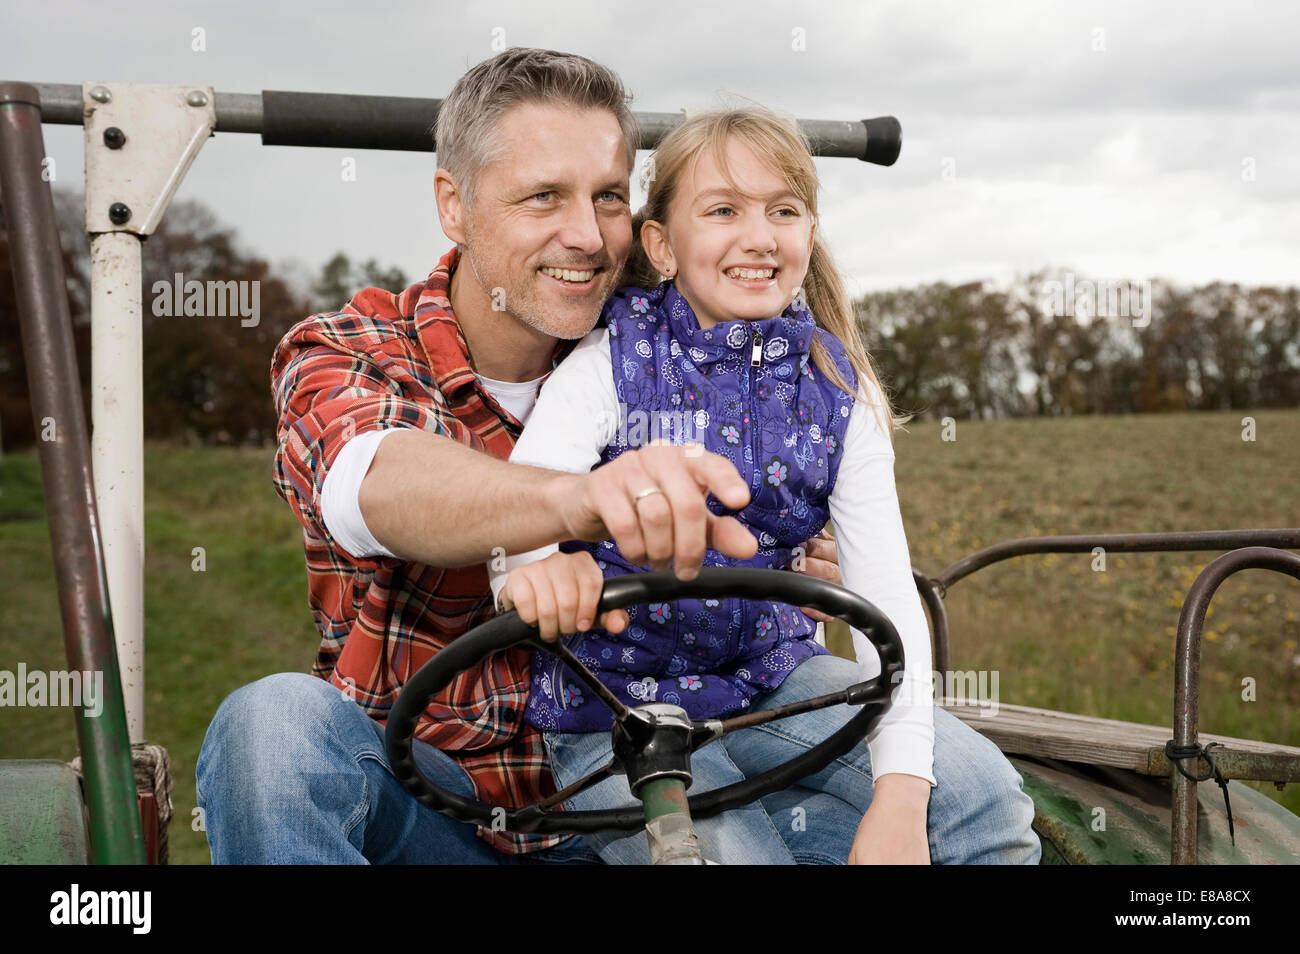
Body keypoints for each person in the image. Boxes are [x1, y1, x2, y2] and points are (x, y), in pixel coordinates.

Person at [196, 48, 860, 865]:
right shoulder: (351, 352)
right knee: (272, 725)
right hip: (444, 816)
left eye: (609, 196)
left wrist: (796, 564)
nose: (585, 236)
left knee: (939, 817)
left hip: (656, 787)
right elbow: (377, 479)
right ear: (456, 203)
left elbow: (788, 477)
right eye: (544, 195)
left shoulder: (669, 346)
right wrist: (576, 501)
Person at [490, 106, 1042, 864]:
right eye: (723, 211)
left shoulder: (838, 394)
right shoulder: (608, 366)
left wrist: (903, 797)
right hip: (617, 708)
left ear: (809, 234)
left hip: (777, 681)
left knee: (984, 802)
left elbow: (885, 601)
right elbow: (522, 506)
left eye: (784, 211)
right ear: (663, 245)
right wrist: (533, 570)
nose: (759, 236)